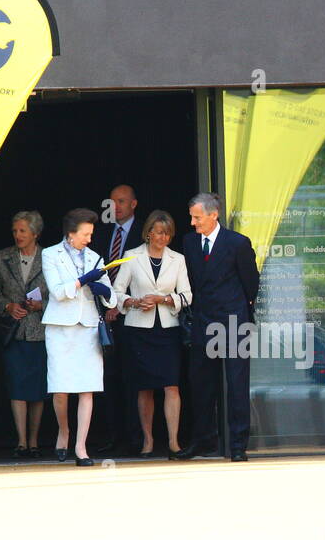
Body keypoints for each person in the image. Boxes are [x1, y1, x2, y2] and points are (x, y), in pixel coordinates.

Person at [176, 192, 259, 462]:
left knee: (237, 385)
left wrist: (242, 312)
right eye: (191, 217)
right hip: (202, 321)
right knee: (200, 386)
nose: (192, 222)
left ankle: (238, 446)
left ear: (214, 215)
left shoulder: (237, 243)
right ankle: (202, 441)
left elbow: (251, 282)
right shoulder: (189, 243)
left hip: (234, 322)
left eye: (197, 217)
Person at [112, 210, 192, 457]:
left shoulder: (177, 259)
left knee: (171, 386)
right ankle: (147, 440)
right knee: (144, 387)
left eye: (167, 233)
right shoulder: (131, 256)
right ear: (148, 233)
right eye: (158, 232)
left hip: (168, 331)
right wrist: (135, 303)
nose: (162, 237)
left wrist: (164, 299)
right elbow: (116, 293)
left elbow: (187, 295)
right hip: (139, 330)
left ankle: (173, 442)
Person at [41, 207, 116, 466]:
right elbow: (57, 291)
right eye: (85, 234)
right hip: (60, 327)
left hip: (88, 327)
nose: (89, 239)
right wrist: (82, 280)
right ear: (70, 234)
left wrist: (104, 291)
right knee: (60, 388)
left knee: (88, 388)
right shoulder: (50, 254)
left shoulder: (95, 257)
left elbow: (112, 294)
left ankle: (81, 447)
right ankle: (64, 431)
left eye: (91, 234)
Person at [0, 210, 48, 458]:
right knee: (18, 387)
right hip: (14, 332)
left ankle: (34, 441)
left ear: (35, 233)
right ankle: (22, 441)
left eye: (22, 231)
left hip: (40, 330)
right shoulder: (3, 257)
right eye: (15, 231)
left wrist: (42, 305)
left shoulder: (49, 257)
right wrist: (7, 306)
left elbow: (58, 292)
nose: (18, 235)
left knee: (38, 388)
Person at [91, 184, 141, 454]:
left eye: (121, 201)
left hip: (133, 314)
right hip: (104, 316)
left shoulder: (144, 232)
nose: (116, 207)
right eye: (112, 202)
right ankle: (112, 436)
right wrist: (106, 305)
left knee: (132, 378)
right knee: (108, 379)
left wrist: (120, 305)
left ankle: (135, 438)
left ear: (133, 204)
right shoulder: (101, 233)